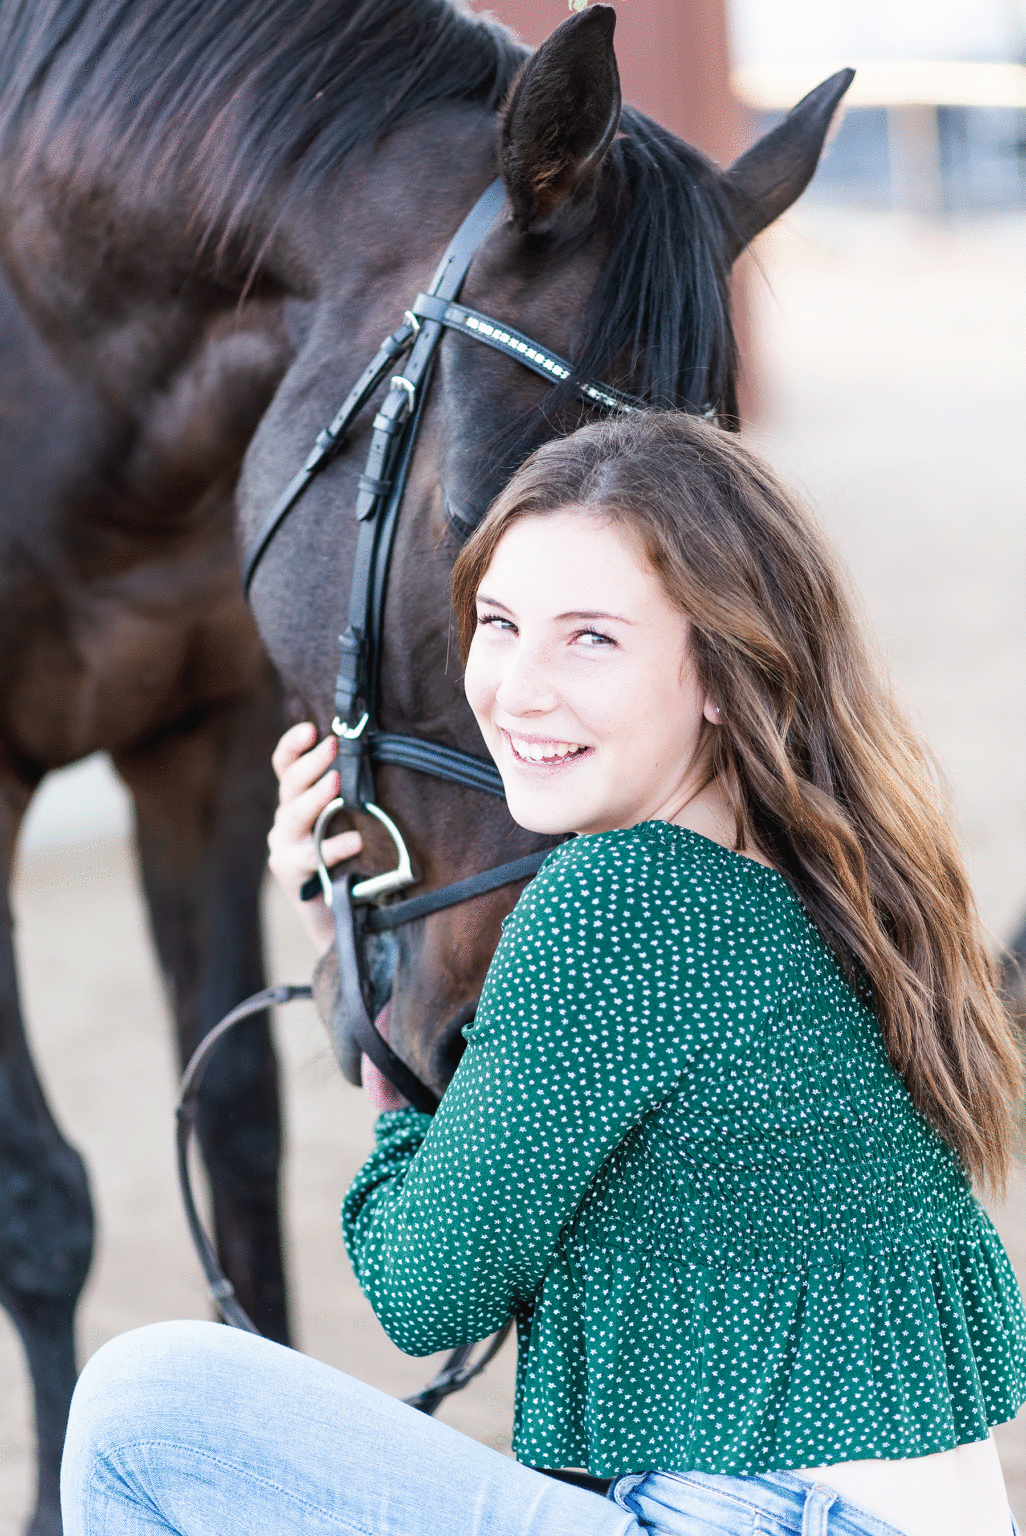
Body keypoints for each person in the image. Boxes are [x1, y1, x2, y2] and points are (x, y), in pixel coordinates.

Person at [61, 412, 1026, 1536]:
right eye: (501, 625)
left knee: (147, 1409)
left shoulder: (621, 902)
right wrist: (353, 945)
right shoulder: (841, 875)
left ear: (723, 668)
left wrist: (373, 998)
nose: (517, 690)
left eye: (591, 639)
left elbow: (423, 1291)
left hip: (764, 1519)